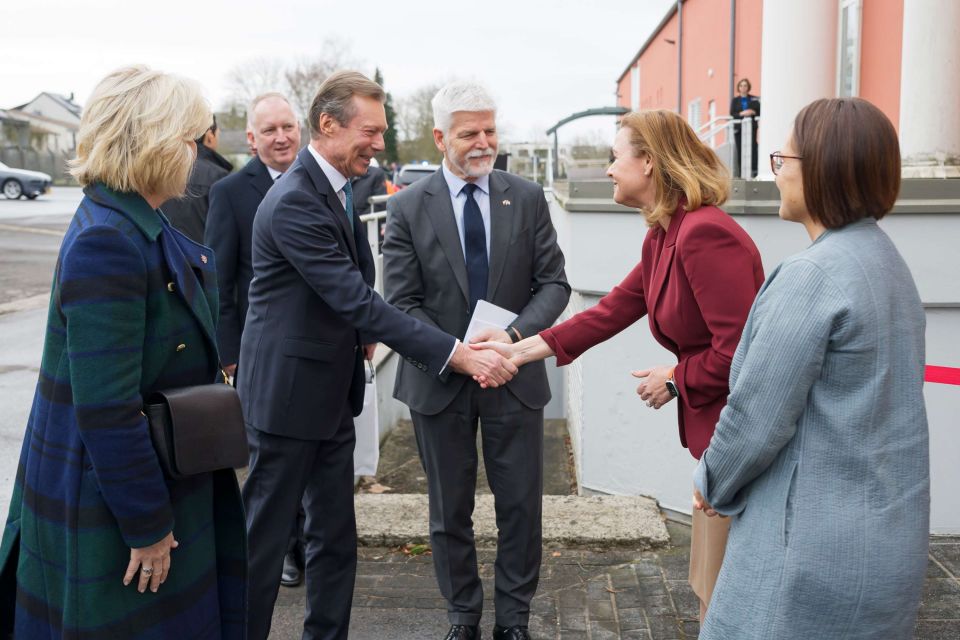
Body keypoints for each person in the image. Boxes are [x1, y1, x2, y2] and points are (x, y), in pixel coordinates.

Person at [237, 70, 518, 640]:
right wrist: (455, 355)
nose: (379, 143)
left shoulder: (334, 189)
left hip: (331, 399)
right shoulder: (294, 200)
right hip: (286, 404)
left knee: (336, 541)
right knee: (263, 547)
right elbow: (357, 301)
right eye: (370, 131)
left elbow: (355, 290)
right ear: (328, 125)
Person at [474, 109, 764, 624]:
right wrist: (515, 348)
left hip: (738, 442)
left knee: (722, 592)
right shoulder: (664, 234)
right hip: (714, 442)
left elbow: (742, 353)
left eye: (615, 157)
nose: (607, 170)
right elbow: (610, 312)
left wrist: (674, 378)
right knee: (710, 586)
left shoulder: (704, 235)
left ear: (649, 162)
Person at [0, 65, 246, 639]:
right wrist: (147, 526)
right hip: (115, 500)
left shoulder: (131, 221)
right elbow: (108, 408)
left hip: (149, 477)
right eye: (189, 139)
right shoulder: (109, 239)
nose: (194, 153)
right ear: (157, 143)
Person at [692, 98, 929, 639]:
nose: (775, 175)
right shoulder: (889, 264)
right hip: (886, 540)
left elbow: (756, 418)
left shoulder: (811, 276)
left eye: (783, 160)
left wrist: (711, 480)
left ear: (821, 169)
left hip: (805, 552)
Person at [382, 81, 570, 640]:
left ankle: (514, 620)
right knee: (448, 512)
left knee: (520, 508)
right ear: (441, 137)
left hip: (512, 375)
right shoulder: (407, 206)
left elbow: (553, 285)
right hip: (440, 381)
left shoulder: (527, 197)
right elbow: (401, 302)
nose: (483, 142)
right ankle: (462, 616)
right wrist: (462, 357)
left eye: (490, 130)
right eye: (469, 134)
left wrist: (509, 339)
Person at [203, 92, 307, 588]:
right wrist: (229, 358)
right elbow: (219, 282)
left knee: (315, 451)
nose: (281, 137)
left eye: (287, 127)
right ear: (250, 139)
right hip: (259, 353)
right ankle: (281, 550)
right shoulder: (229, 192)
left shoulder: (329, 181)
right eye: (269, 131)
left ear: (301, 129)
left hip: (317, 350)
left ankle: (308, 541)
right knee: (268, 460)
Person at [161, 114, 234, 242]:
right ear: (210, 136)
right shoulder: (220, 178)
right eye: (218, 133)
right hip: (204, 258)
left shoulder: (162, 171)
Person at [729, 78, 760, 178]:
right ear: (738, 87)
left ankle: (754, 171)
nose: (743, 87)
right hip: (739, 128)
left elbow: (760, 111)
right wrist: (742, 113)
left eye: (745, 85)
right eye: (741, 85)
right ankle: (742, 174)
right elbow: (732, 114)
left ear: (748, 87)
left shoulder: (754, 99)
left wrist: (753, 112)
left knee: (753, 148)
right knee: (740, 150)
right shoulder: (735, 100)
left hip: (751, 128)